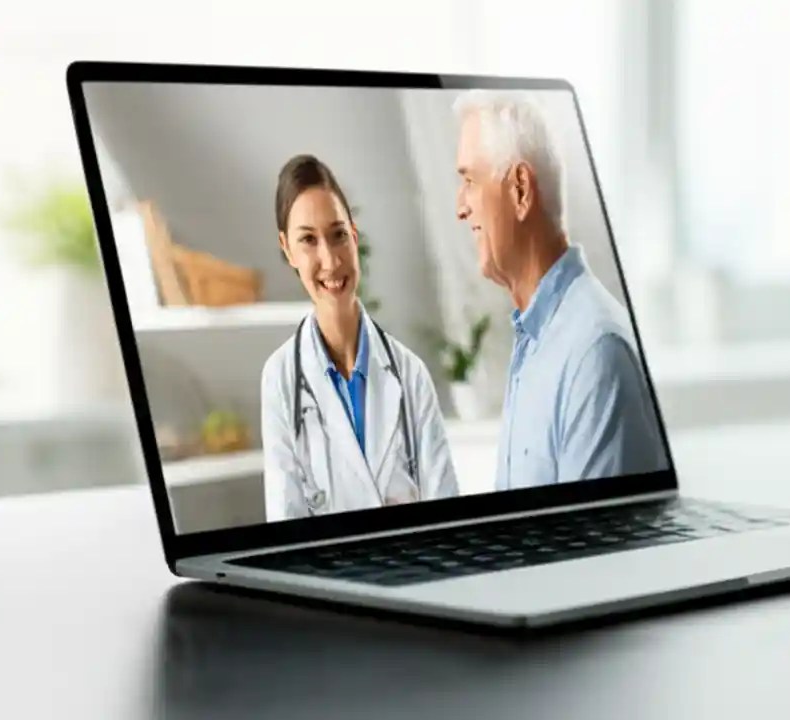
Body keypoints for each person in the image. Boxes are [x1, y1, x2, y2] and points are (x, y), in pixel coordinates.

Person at [452, 91, 667, 491]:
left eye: (469, 181)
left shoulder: (594, 352)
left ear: (519, 190)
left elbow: (599, 547)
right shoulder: (537, 337)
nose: (460, 207)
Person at [262, 155, 459, 519]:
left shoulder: (410, 374)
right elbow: (284, 528)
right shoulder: (280, 379)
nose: (331, 260)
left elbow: (446, 512)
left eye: (338, 235)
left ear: (354, 236)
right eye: (308, 240)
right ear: (287, 248)